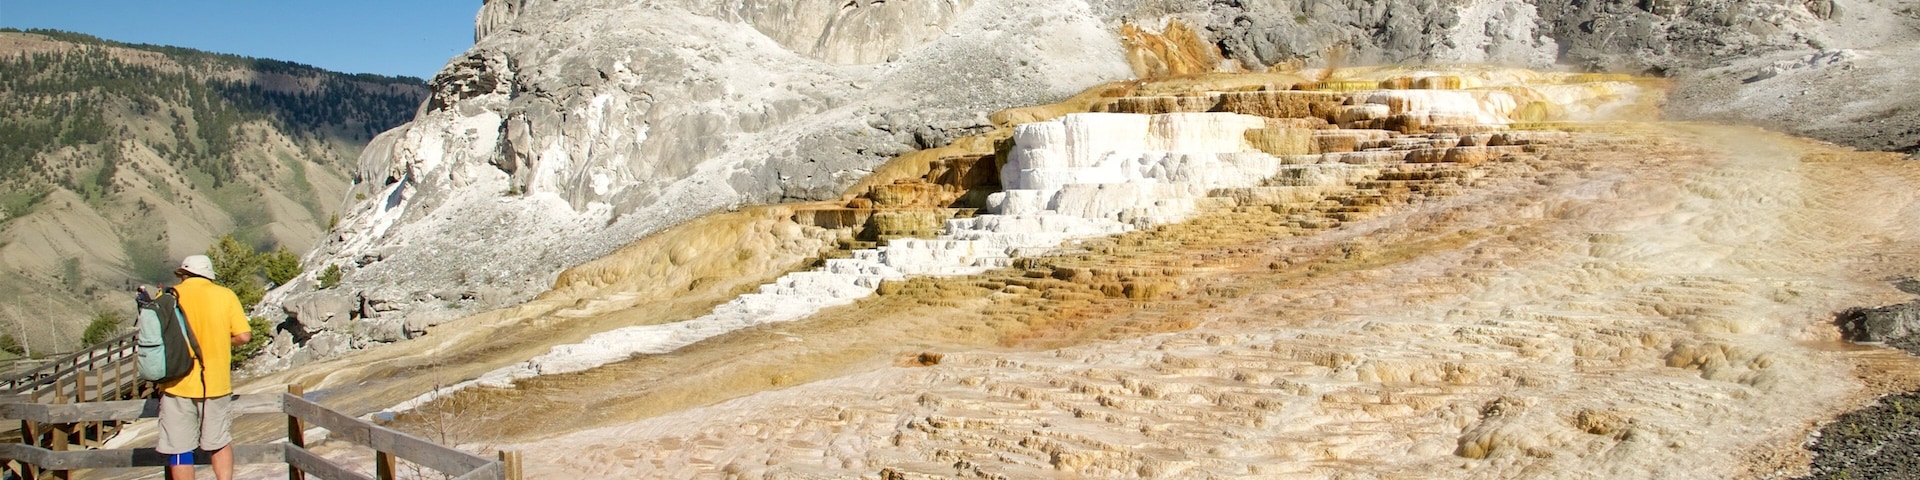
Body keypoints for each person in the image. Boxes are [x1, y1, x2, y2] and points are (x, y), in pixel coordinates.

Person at [156, 255, 252, 480]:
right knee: (218, 442)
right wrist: (221, 341)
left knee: (179, 449)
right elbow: (244, 336)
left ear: (183, 274)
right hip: (215, 383)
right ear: (209, 275)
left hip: (176, 382)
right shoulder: (225, 295)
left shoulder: (168, 297)